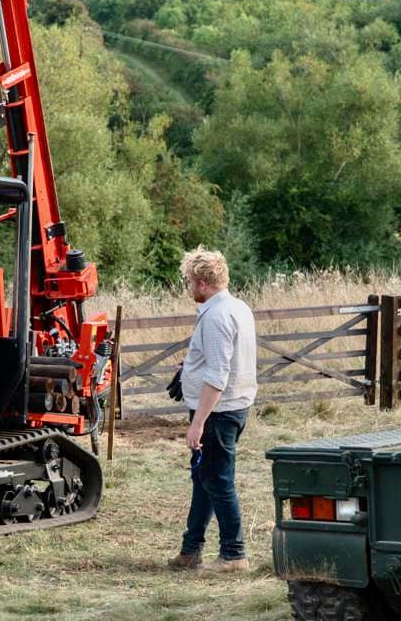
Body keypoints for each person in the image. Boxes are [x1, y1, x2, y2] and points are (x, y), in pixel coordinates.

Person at [169, 246, 257, 573]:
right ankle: (190, 550)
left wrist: (198, 424)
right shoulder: (237, 307)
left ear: (203, 283)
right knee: (203, 478)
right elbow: (223, 360)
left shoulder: (217, 316)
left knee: (217, 480)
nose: (189, 287)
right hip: (231, 406)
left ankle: (234, 555)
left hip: (218, 412)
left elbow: (219, 375)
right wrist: (190, 365)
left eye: (190, 282)